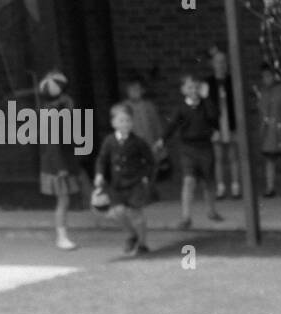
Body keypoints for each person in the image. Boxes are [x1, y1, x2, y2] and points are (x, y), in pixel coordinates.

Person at [157, 73, 224, 230]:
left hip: (205, 146)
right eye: (189, 87)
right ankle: (186, 217)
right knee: (189, 181)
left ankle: (211, 210)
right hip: (188, 148)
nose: (193, 90)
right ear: (183, 90)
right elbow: (172, 125)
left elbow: (215, 117)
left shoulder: (205, 105)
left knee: (209, 180)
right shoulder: (181, 109)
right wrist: (162, 139)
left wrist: (207, 98)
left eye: (196, 87)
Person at [94, 102, 156, 258]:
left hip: (135, 183)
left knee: (136, 214)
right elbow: (102, 159)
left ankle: (142, 244)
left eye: (128, 120)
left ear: (132, 122)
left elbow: (150, 161)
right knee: (117, 212)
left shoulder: (138, 142)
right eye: (121, 121)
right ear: (113, 123)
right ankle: (131, 235)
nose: (125, 124)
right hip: (117, 185)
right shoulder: (109, 141)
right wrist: (99, 174)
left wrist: (146, 177)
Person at [35, 71, 86, 252]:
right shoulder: (52, 115)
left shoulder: (58, 111)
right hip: (58, 166)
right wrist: (61, 168)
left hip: (64, 162)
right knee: (63, 201)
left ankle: (63, 235)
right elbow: (52, 145)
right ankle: (61, 237)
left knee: (65, 200)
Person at [257, 63, 281, 197]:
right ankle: (270, 187)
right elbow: (262, 114)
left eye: (268, 76)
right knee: (269, 160)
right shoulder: (263, 92)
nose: (266, 79)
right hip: (269, 133)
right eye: (264, 76)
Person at [206, 46, 241, 198]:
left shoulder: (233, 81)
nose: (220, 64)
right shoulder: (208, 83)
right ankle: (221, 187)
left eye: (223, 61)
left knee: (233, 156)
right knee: (218, 158)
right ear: (212, 64)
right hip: (216, 125)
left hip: (231, 123)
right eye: (217, 62)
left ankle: (235, 186)